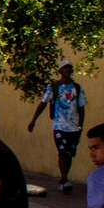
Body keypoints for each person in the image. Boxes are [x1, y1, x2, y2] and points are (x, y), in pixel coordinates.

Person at [28, 62, 88, 192]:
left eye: (70, 68)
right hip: (59, 126)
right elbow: (43, 103)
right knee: (62, 151)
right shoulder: (54, 87)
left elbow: (81, 108)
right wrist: (33, 120)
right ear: (60, 71)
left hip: (73, 127)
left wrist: (80, 126)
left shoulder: (77, 88)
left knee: (69, 153)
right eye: (65, 68)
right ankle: (65, 179)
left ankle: (64, 177)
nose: (68, 70)